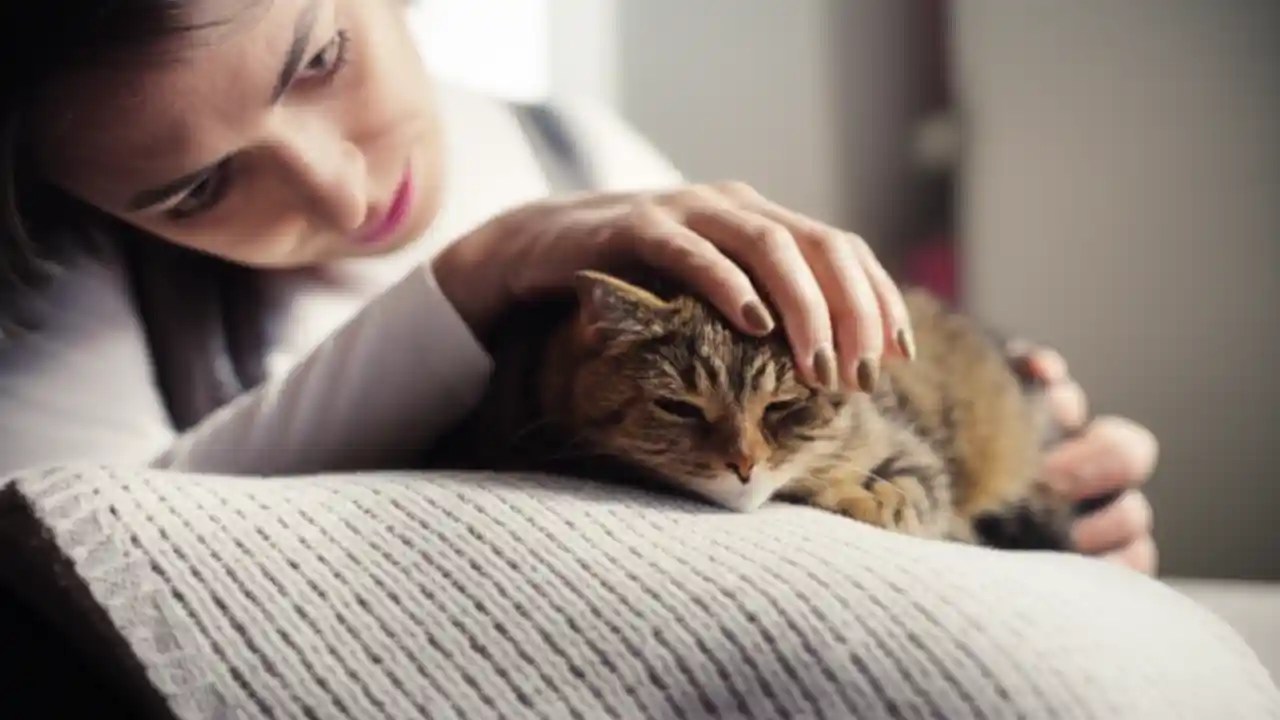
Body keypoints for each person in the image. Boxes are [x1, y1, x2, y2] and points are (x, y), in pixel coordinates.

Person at [0, 0, 1157, 574]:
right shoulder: (61, 282)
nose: (346, 194)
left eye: (319, 59)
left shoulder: (576, 145)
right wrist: (479, 272)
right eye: (196, 190)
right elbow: (77, 550)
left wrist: (1030, 509)